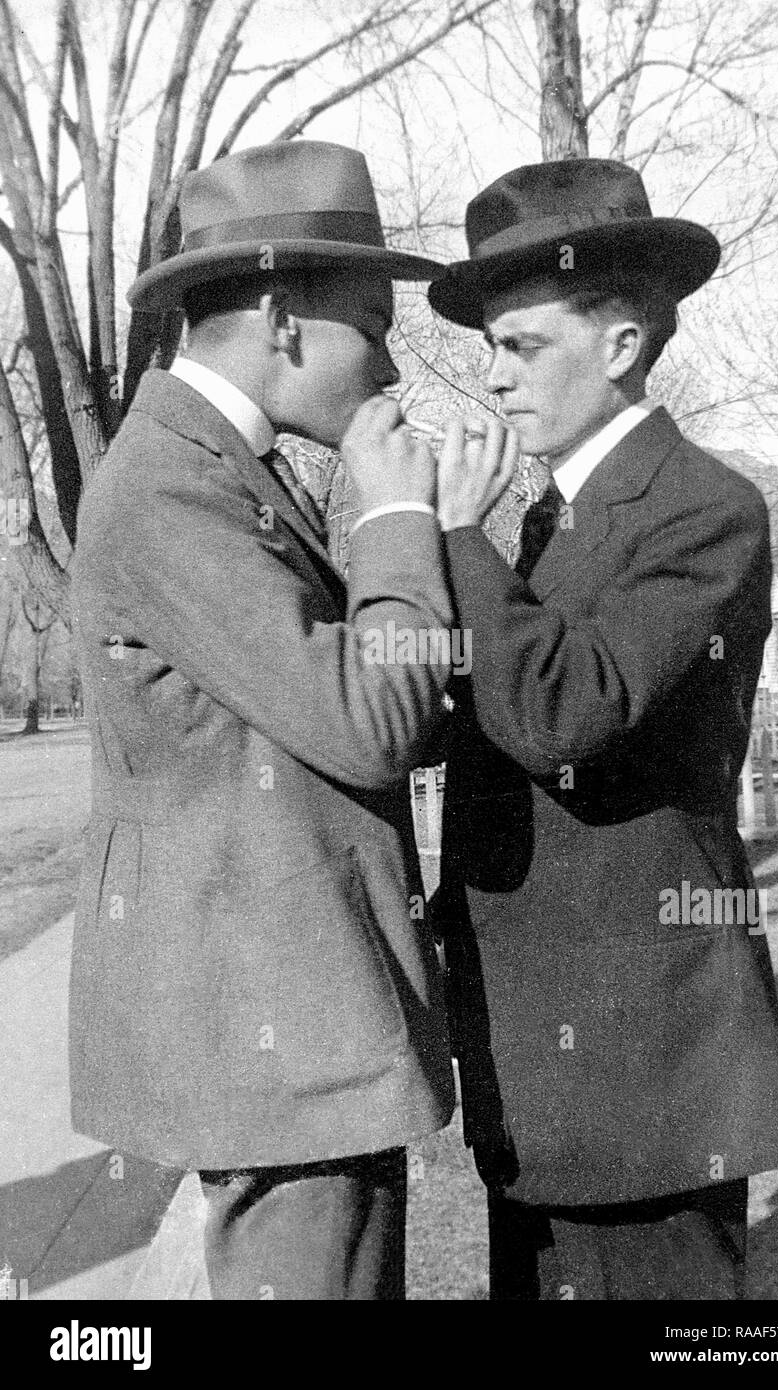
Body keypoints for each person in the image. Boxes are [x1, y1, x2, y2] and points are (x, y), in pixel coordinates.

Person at [70, 138, 471, 1300]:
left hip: (291, 1021)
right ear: (284, 316)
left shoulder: (215, 465)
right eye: (374, 324)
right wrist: (398, 514)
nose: (390, 365)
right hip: (277, 1027)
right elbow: (371, 719)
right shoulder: (171, 488)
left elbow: (365, 690)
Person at [428, 158, 778, 1300]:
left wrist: (453, 540)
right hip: (538, 1059)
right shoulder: (541, 520)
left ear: (623, 342)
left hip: (646, 1066)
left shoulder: (702, 508)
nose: (493, 378)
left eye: (520, 345)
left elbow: (559, 715)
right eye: (489, 347)